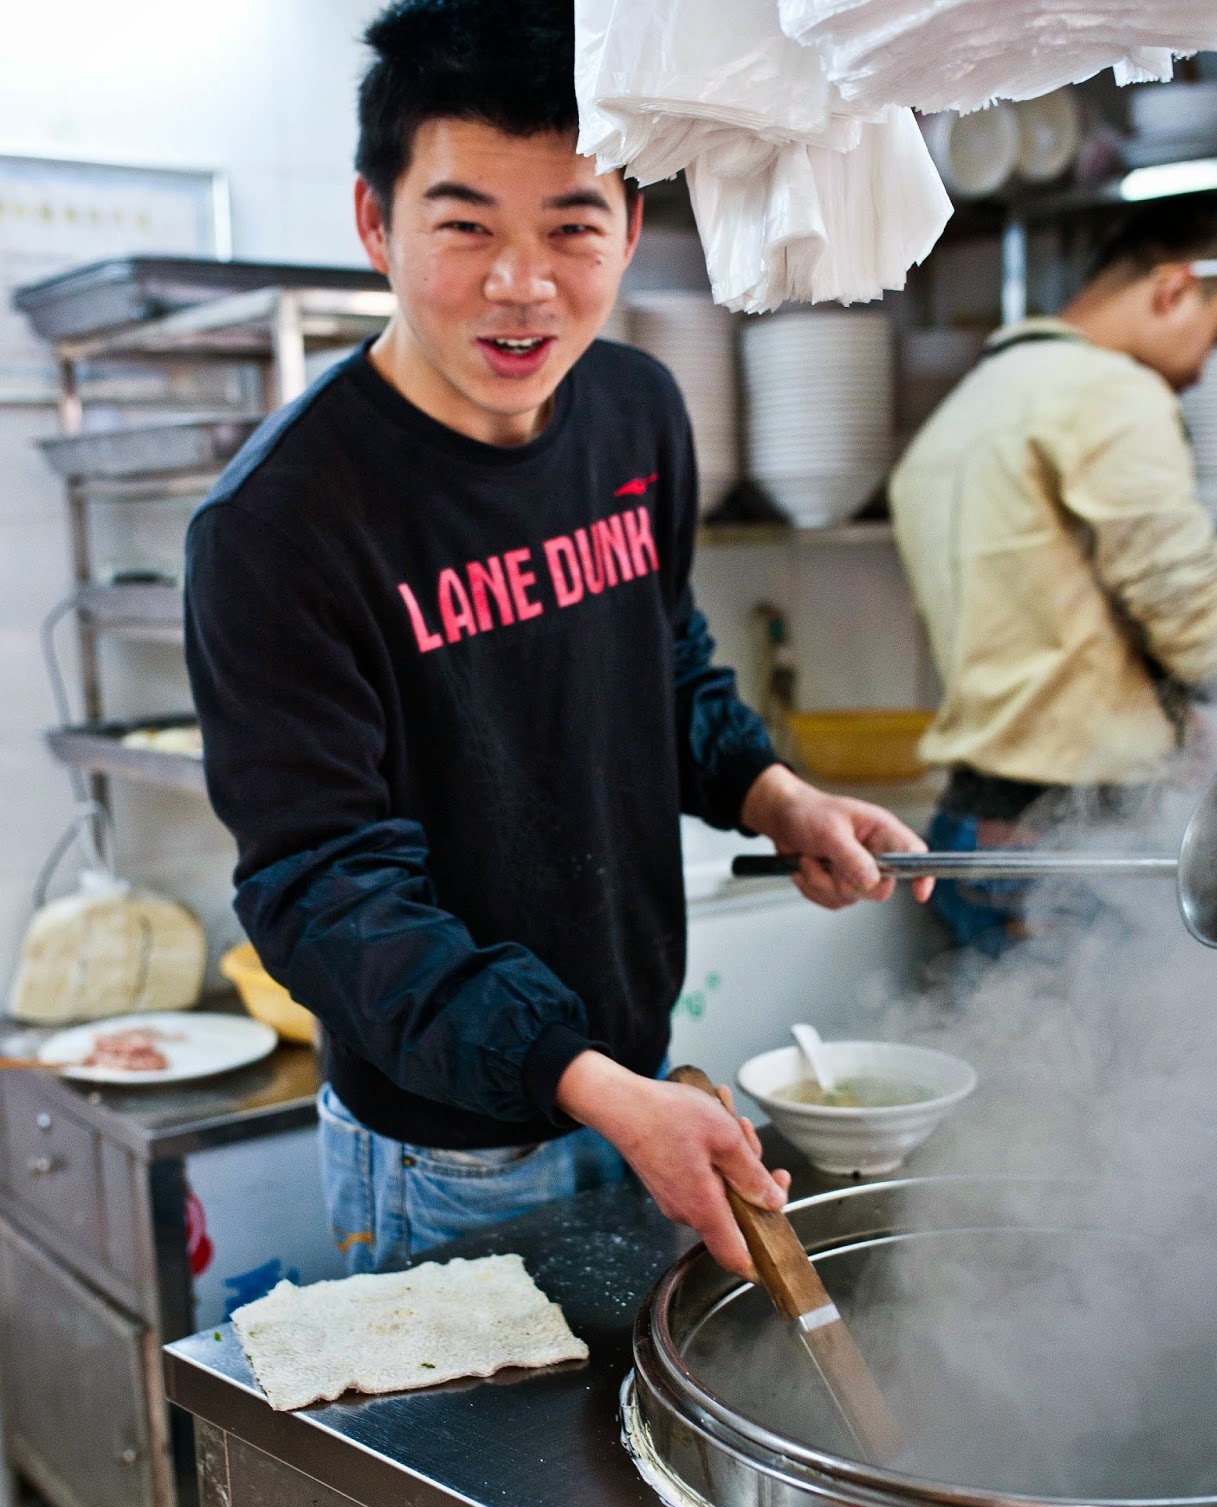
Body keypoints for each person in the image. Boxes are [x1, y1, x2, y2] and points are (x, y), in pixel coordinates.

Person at [184, 0, 931, 1282]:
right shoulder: (279, 523)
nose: (521, 284)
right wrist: (579, 1079)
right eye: (466, 226)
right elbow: (320, 891)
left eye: (572, 227)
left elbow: (663, 653)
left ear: (631, 230)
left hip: (632, 1071)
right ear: (376, 224)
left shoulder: (634, 410)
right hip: (449, 1150)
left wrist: (773, 793)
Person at [889, 200, 1217, 956]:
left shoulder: (965, 408)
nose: (1198, 371)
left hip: (971, 823)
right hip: (1069, 840)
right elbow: (1190, 612)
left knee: (1004, 1059)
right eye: (1215, 338)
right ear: (1174, 289)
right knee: (1104, 1070)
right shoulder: (1112, 394)